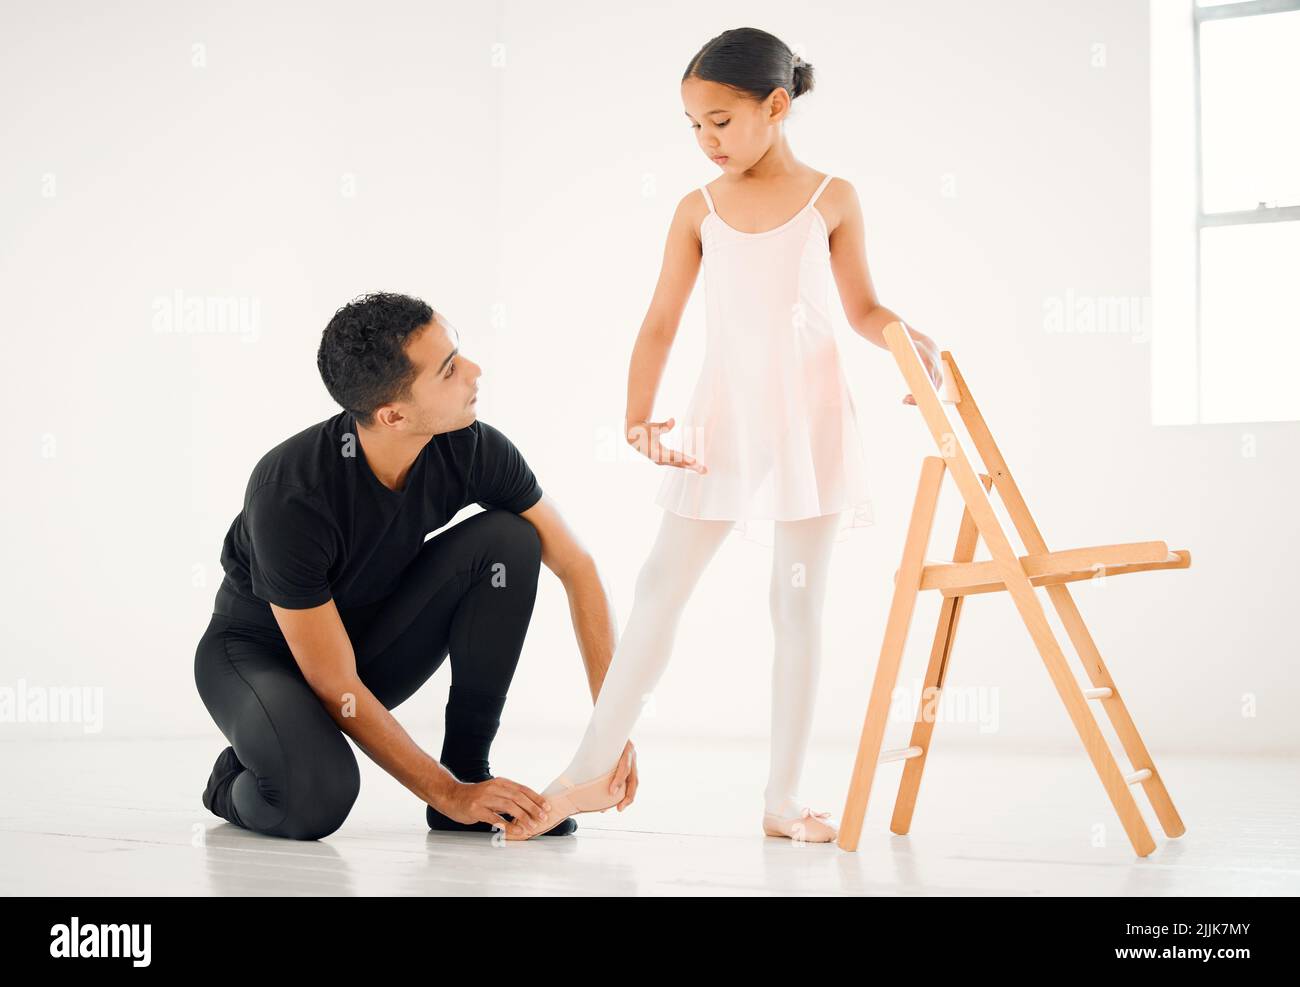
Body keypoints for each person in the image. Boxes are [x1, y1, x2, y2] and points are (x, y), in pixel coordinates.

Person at [510, 27, 944, 842]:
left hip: (811, 423)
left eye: (720, 121)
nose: (706, 141)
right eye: (693, 126)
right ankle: (586, 773)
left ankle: (783, 800)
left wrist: (916, 348)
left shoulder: (834, 198)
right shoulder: (696, 210)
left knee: (797, 605)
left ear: (775, 107)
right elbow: (660, 322)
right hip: (720, 420)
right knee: (658, 587)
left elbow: (864, 311)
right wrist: (639, 413)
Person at [193, 292, 639, 840]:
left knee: (509, 540)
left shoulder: (470, 448)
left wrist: (611, 732)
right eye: (450, 370)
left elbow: (578, 565)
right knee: (315, 799)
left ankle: (470, 769)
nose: (475, 372)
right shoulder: (291, 493)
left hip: (363, 646)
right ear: (394, 414)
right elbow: (333, 680)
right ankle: (229, 782)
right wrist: (445, 792)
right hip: (257, 655)